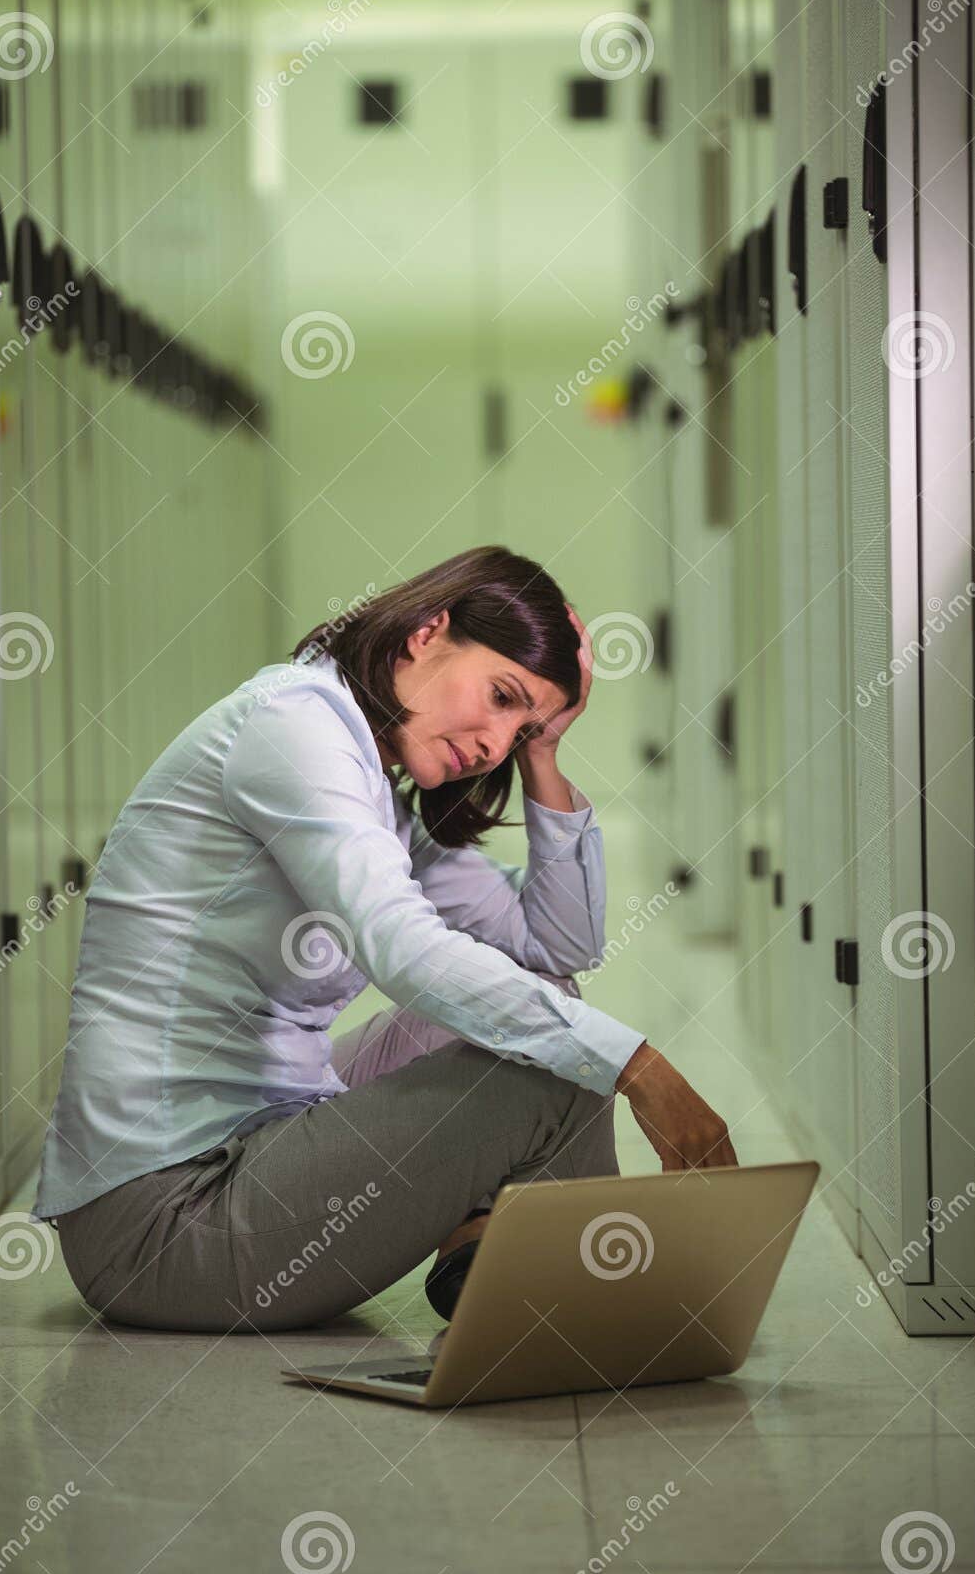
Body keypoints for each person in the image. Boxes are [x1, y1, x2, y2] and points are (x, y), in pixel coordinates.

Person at [36, 545, 737, 1334]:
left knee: (548, 1009)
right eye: (501, 698)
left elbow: (555, 945)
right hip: (161, 1220)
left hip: (259, 1138)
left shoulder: (382, 788)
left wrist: (545, 754)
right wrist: (637, 1066)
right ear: (426, 633)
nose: (494, 745)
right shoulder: (293, 726)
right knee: (562, 1066)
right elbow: (401, 948)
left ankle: (494, 1259)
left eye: (522, 728)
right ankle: (591, 1310)